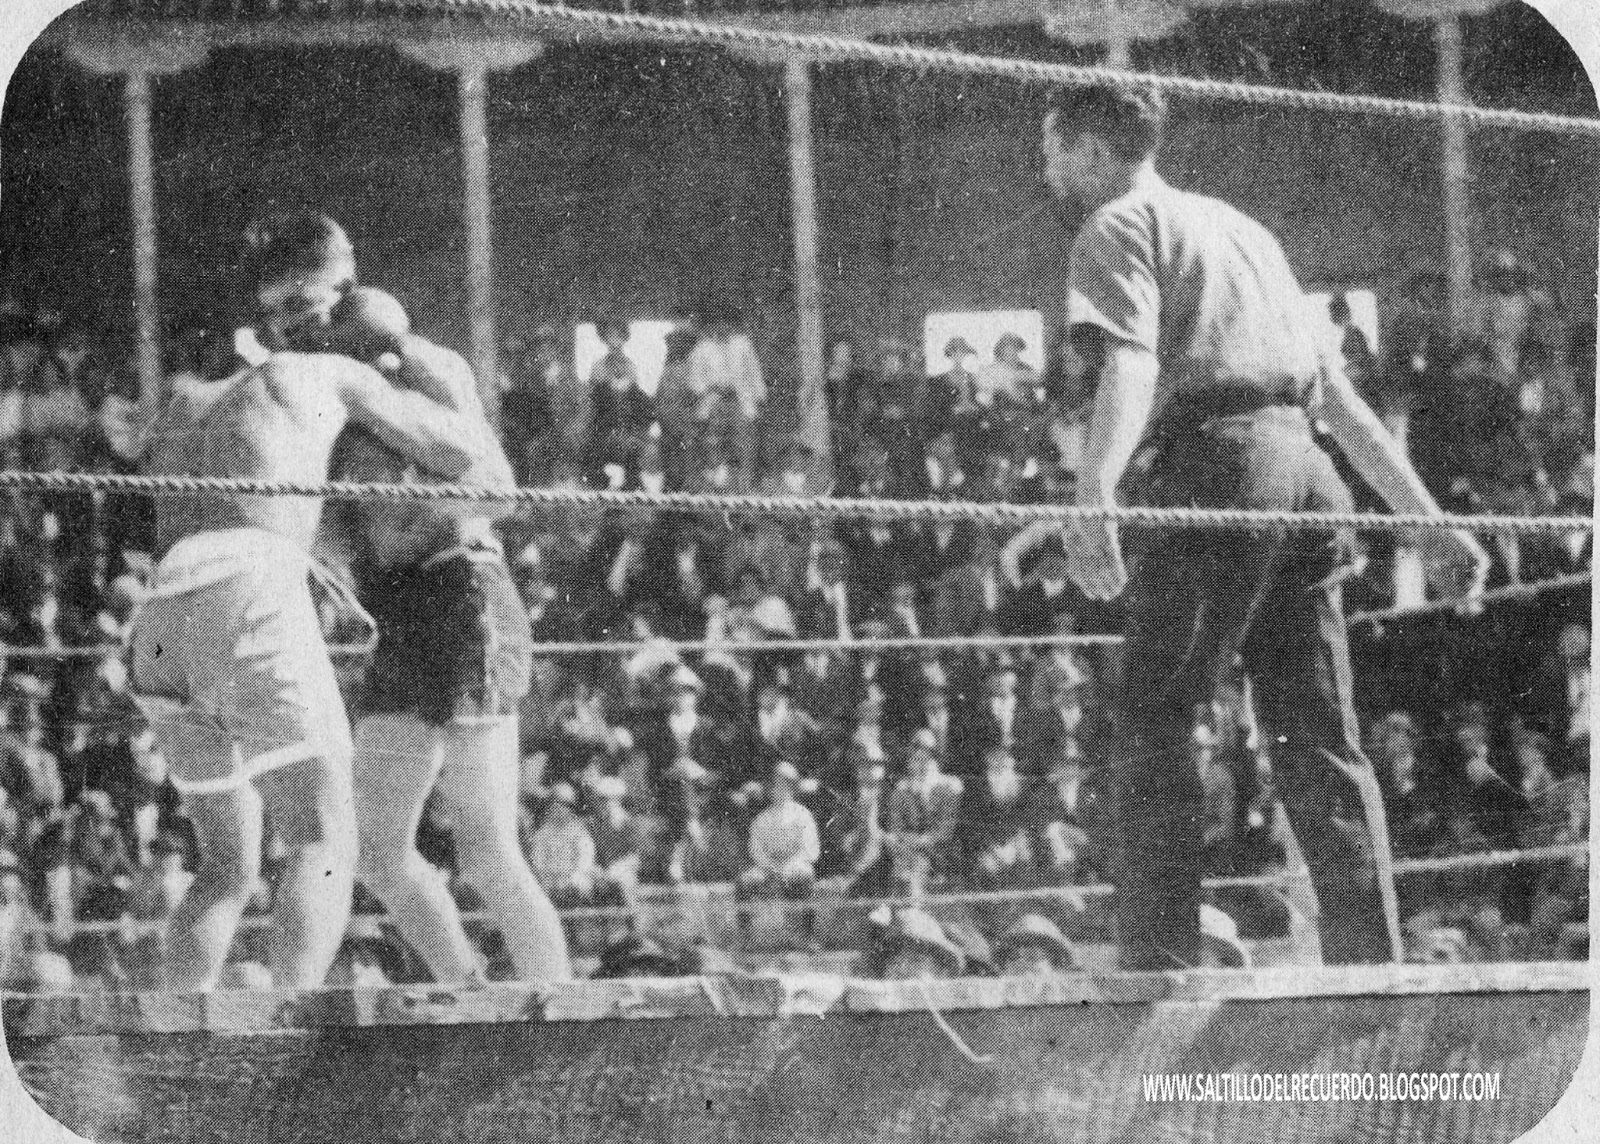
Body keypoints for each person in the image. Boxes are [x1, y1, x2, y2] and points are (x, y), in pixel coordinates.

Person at [1015, 83, 1489, 971]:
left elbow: (1131, 363)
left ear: (1089, 148)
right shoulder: (1247, 233)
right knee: (1319, 735)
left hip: (1220, 466)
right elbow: (1337, 402)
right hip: (1309, 475)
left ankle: (1155, 966)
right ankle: (1370, 961)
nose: (1045, 173)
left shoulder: (1116, 228)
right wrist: (1427, 524)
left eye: (1050, 152)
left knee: (1154, 710)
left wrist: (1095, 494)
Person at [128, 211, 491, 991]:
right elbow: (464, 452)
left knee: (225, 868)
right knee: (325, 837)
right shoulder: (323, 373)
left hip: (158, 619)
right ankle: (288, 1030)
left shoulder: (188, 397)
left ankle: (168, 1033)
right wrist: (395, 354)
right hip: (246, 588)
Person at [311, 224, 572, 986]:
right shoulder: (325, 398)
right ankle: (466, 978)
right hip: (401, 611)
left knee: (487, 843)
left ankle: (557, 1000)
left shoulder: (427, 370)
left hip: (464, 596)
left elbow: (497, 491)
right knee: (376, 845)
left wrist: (404, 494)